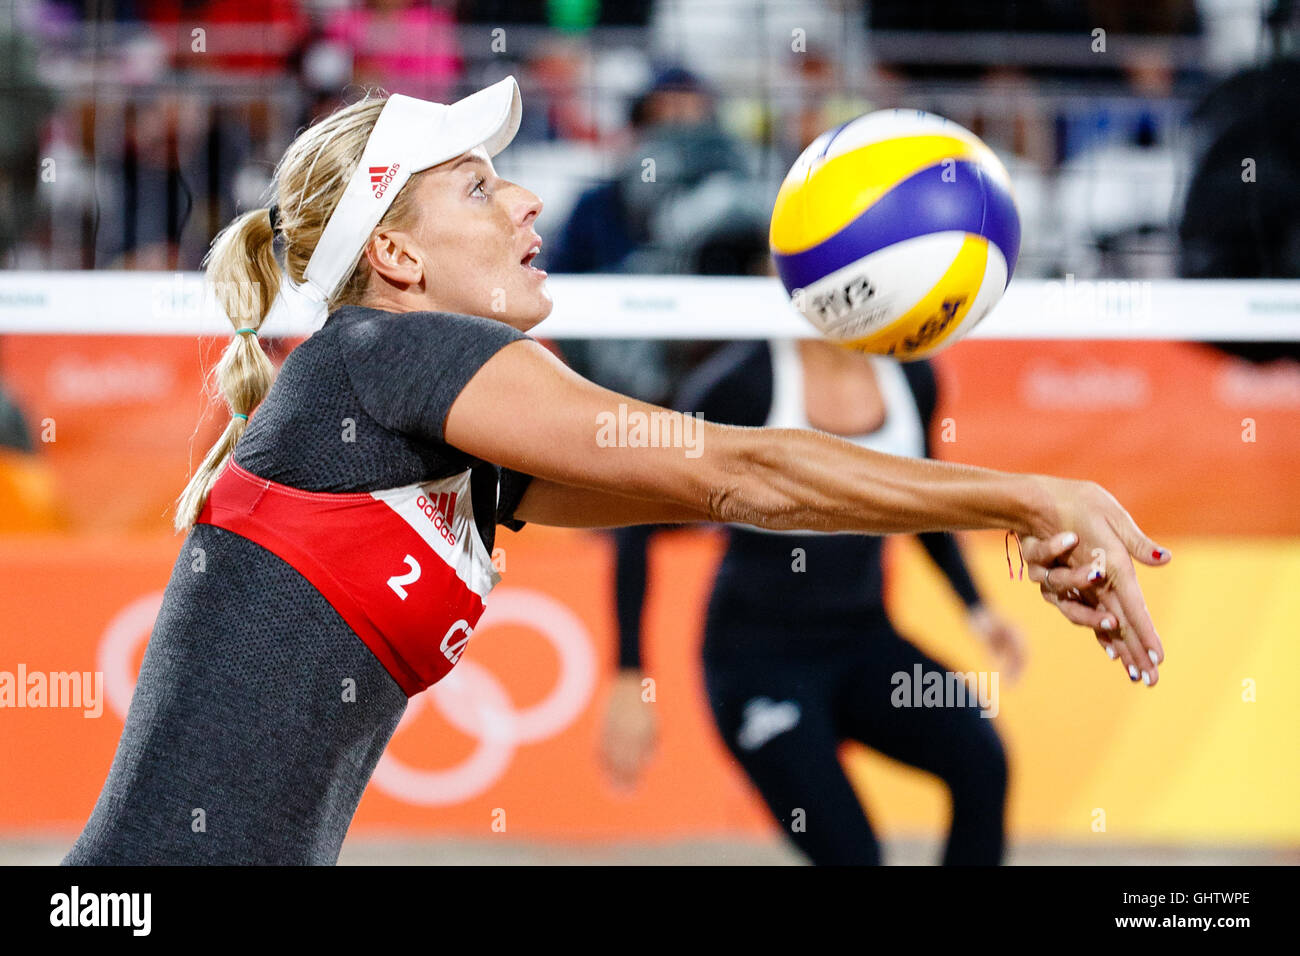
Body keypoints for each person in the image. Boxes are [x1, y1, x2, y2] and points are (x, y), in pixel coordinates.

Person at [64, 76, 1168, 865]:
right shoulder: (382, 351)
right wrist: (1028, 492)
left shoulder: (440, 438)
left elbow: (738, 494)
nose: (528, 201)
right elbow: (734, 471)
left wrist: (998, 525)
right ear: (396, 257)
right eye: (478, 189)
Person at [602, 342, 1028, 864]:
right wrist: (629, 676)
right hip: (757, 664)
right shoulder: (743, 384)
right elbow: (635, 516)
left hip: (863, 643)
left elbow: (924, 505)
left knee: (983, 765)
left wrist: (978, 609)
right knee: (853, 857)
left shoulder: (913, 378)